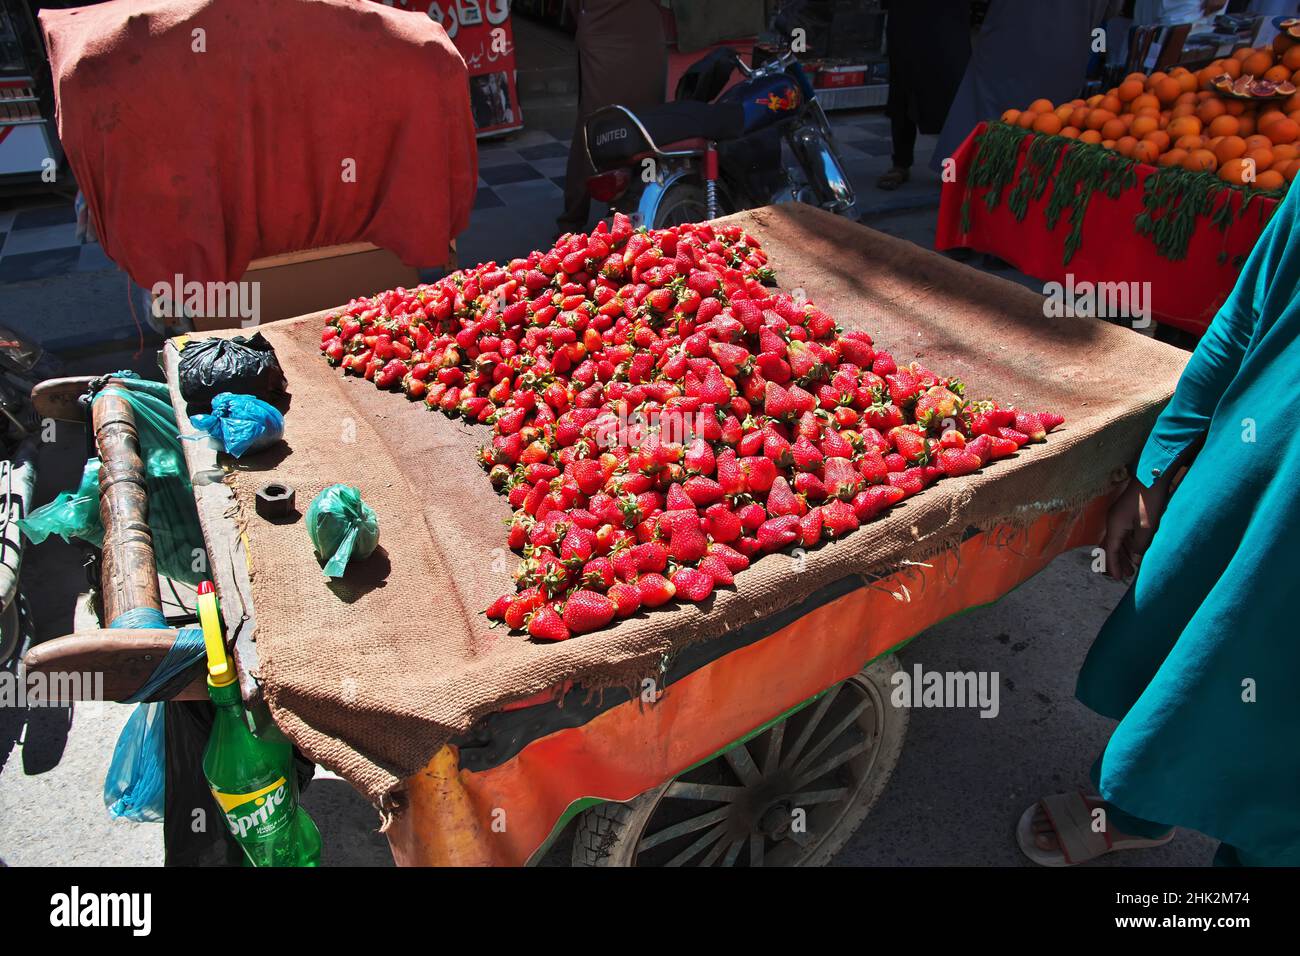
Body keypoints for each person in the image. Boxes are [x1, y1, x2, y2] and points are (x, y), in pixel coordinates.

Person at [1018, 170, 1300, 867]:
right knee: (1192, 649)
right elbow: (1248, 311)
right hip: (1252, 474)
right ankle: (1139, 808)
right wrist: (1159, 464)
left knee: (1280, 739)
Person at [933, 0, 1116, 170]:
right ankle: (1021, 173)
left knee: (992, 99)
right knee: (1050, 117)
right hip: (1065, 41)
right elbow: (1111, 10)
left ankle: (968, 167)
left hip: (1017, 30)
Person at [557, 0, 667, 235]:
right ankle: (578, 216)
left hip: (635, 31)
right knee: (596, 125)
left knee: (641, 125)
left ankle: (635, 203)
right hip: (606, 31)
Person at [877, 0, 972, 190]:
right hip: (906, 14)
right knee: (903, 85)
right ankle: (901, 163)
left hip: (947, 16)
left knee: (951, 86)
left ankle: (953, 164)